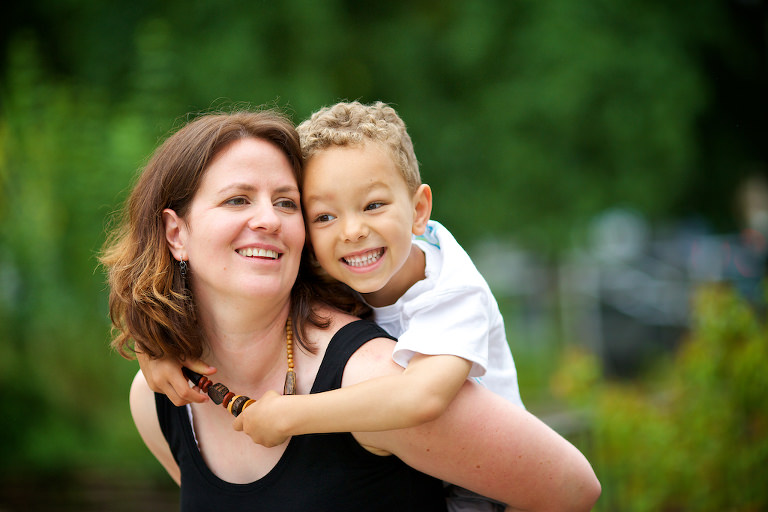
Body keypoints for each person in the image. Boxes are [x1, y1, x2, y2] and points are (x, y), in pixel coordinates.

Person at [104, 108, 600, 511]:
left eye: (284, 202)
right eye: (237, 200)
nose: (267, 220)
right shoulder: (158, 399)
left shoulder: (390, 359)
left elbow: (572, 488)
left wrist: (292, 414)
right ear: (175, 233)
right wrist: (155, 347)